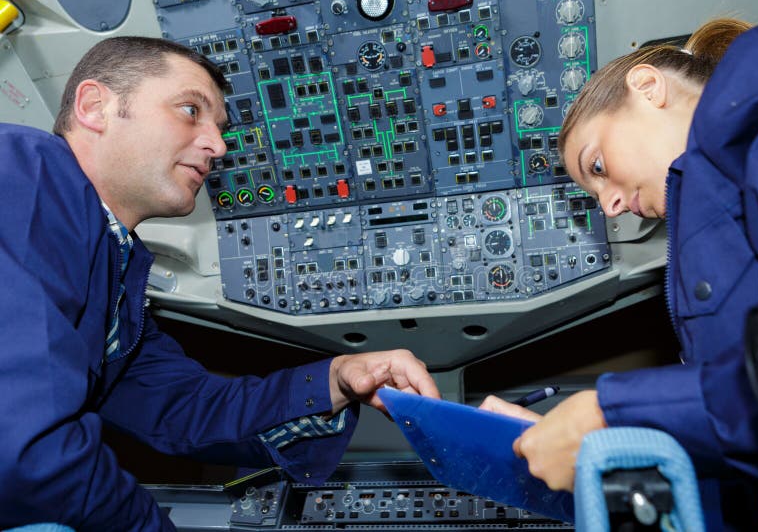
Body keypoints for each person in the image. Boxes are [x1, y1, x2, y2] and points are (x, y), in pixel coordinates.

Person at [0, 36, 440, 531]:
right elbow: (27, 448)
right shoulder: (21, 171)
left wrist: (337, 378)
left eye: (220, 126)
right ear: (94, 106)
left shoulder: (111, 263)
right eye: (191, 110)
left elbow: (186, 409)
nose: (218, 145)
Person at [481, 16, 758, 529]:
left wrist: (609, 413)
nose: (609, 207)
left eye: (598, 166)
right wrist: (593, 432)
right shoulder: (720, 182)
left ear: (648, 87)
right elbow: (749, 406)